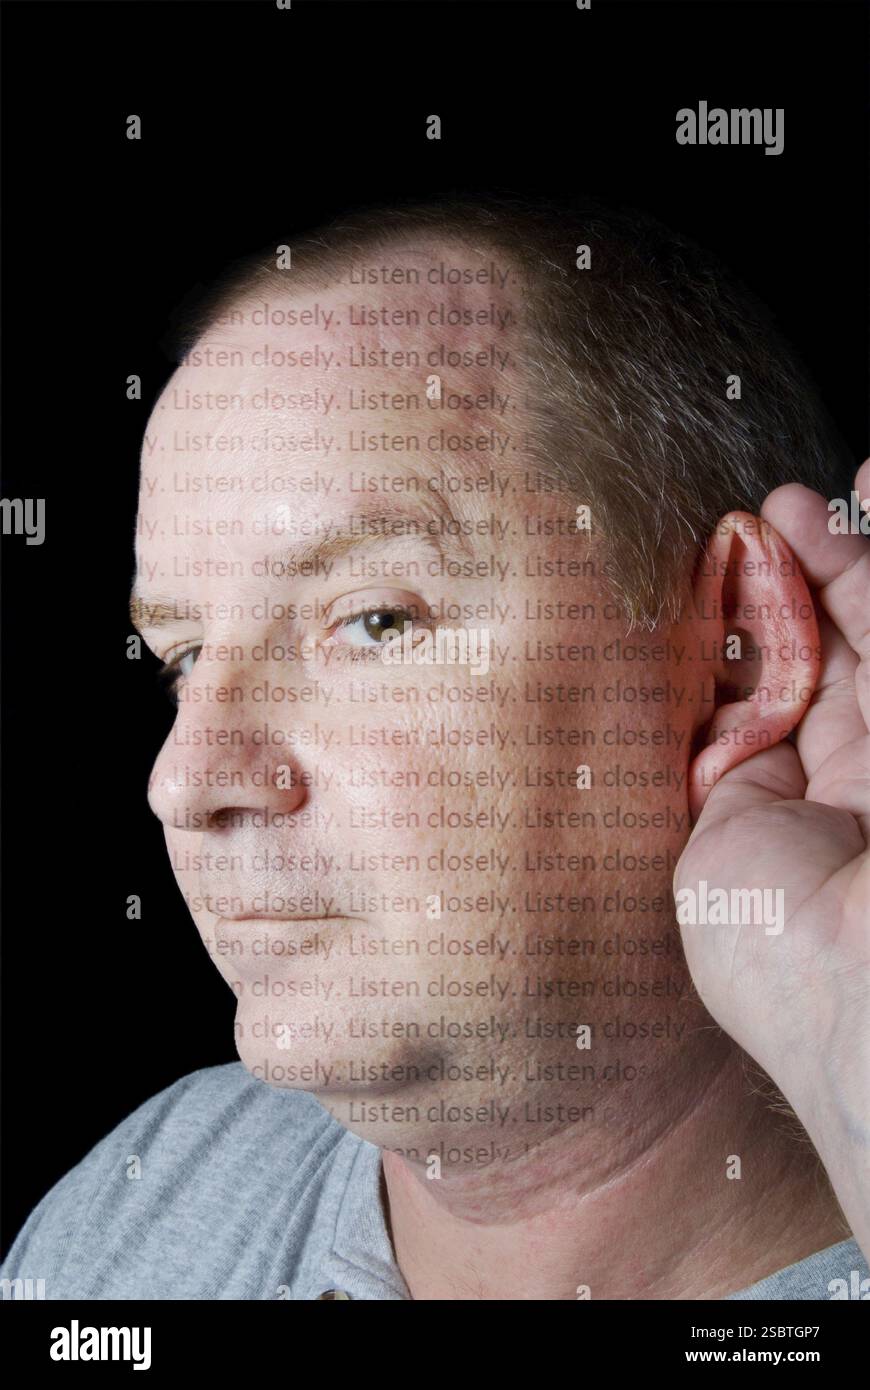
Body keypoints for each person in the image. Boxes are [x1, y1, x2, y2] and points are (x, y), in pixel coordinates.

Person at [3, 198, 868, 1301]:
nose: (186, 779)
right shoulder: (132, 1209)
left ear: (732, 659)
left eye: (372, 619)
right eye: (182, 655)